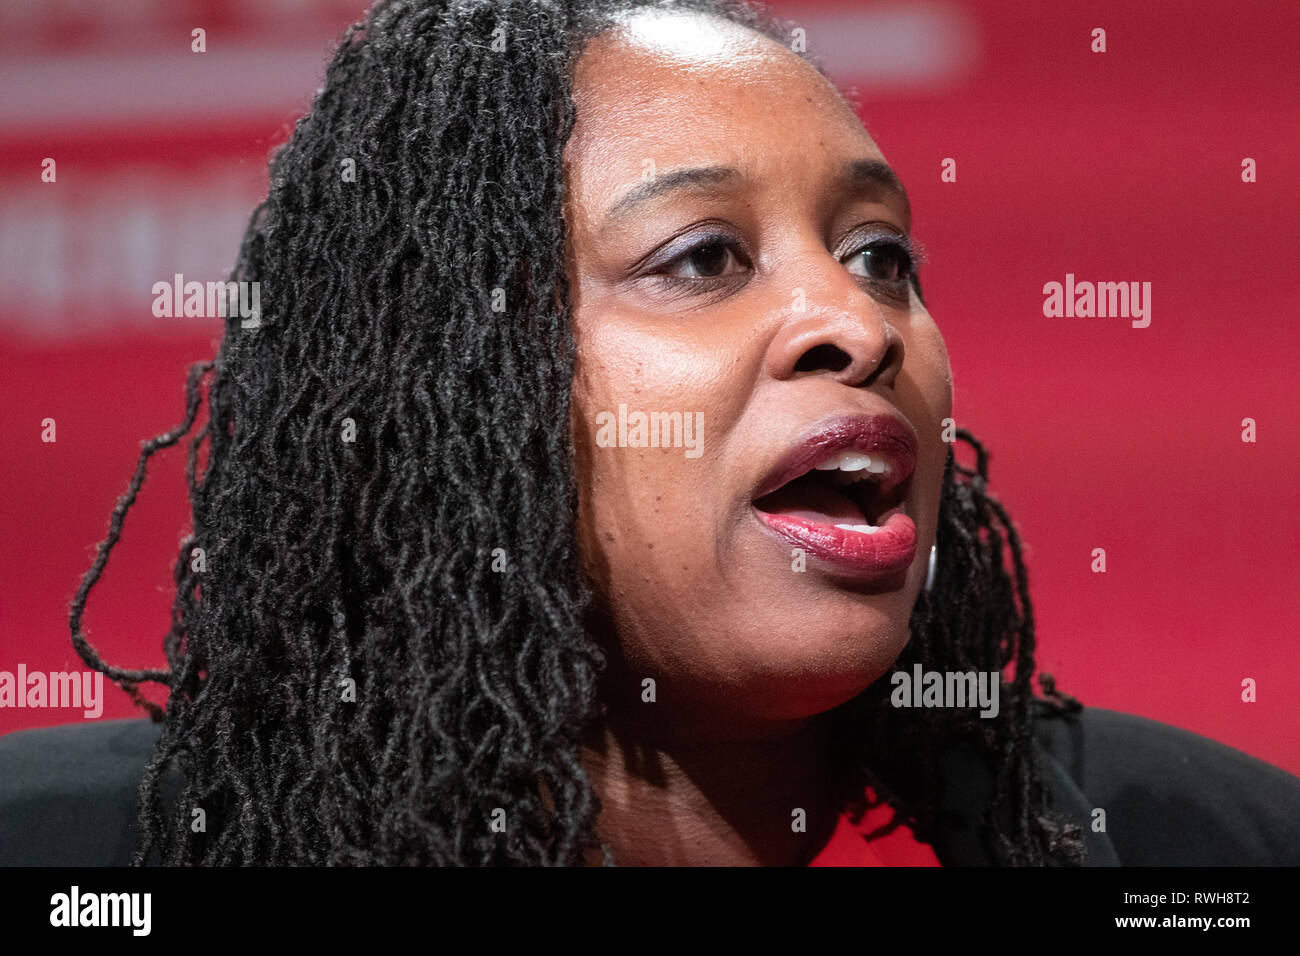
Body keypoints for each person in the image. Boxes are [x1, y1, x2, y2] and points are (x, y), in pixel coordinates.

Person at [2, 0, 1297, 867]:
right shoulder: (83, 852)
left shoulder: (1192, 848)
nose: (853, 321)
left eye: (881, 254)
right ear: (458, 378)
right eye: (704, 257)